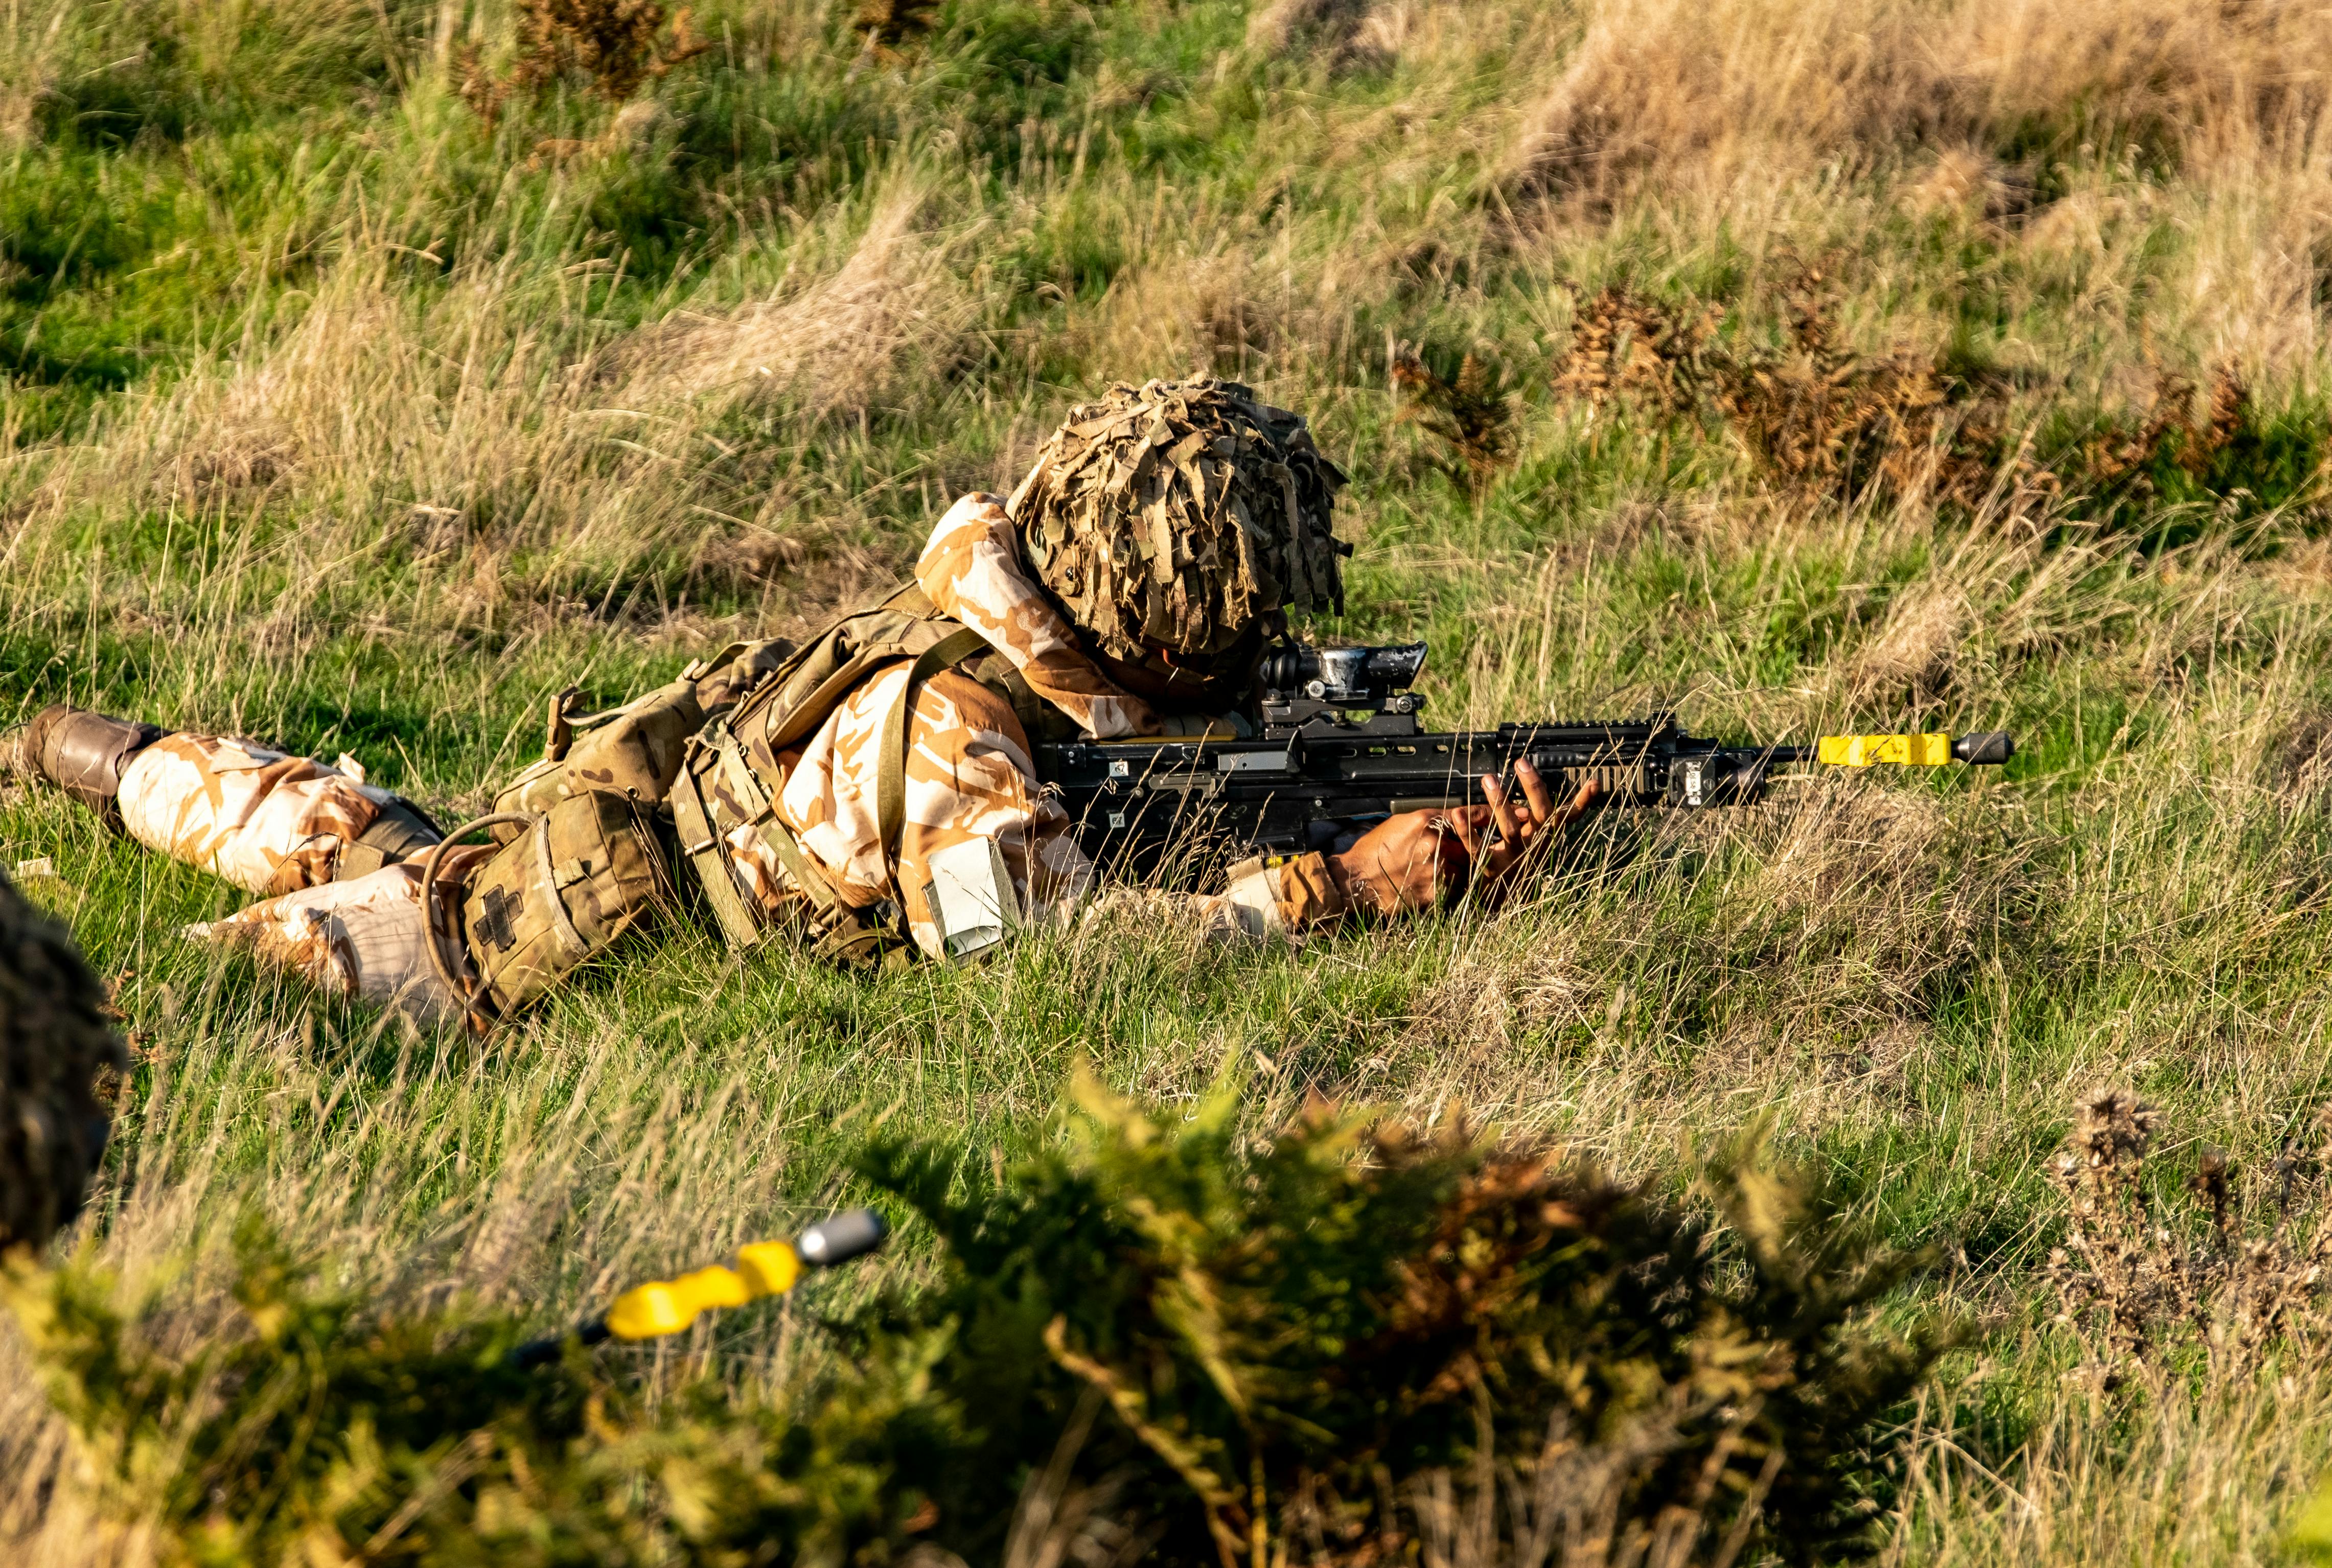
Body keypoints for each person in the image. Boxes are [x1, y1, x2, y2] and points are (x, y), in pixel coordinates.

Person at [3, 380, 1587, 1025]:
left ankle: (75, 750)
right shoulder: (962, 723)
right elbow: (1036, 958)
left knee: (335, 823)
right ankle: (72, 758)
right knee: (159, 1016)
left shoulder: (1002, 617)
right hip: (510, 961)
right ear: (1159, 613)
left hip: (569, 845)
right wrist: (1335, 888)